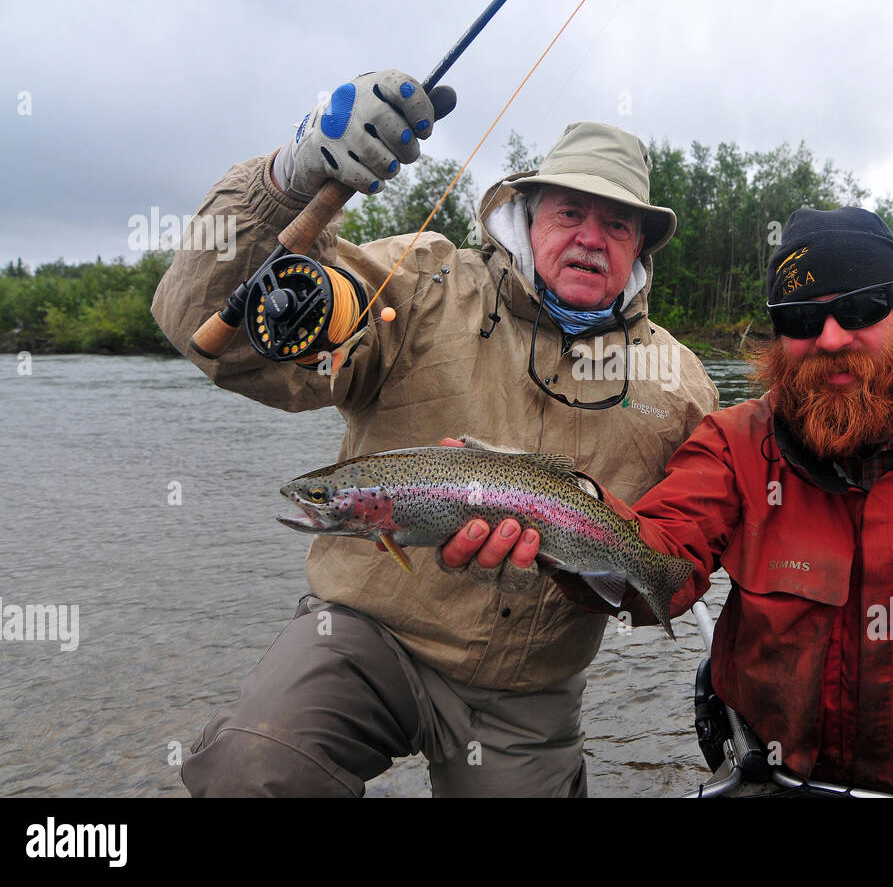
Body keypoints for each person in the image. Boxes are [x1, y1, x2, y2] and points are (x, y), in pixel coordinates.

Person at [454, 206, 893, 797]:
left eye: (860, 308)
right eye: (801, 317)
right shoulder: (734, 446)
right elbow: (658, 559)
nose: (831, 338)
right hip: (776, 781)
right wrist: (548, 511)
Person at [151, 68, 718, 797]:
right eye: (570, 212)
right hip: (365, 634)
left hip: (531, 685)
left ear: (641, 245)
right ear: (527, 211)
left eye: (615, 224)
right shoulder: (421, 286)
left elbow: (700, 531)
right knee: (250, 769)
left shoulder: (681, 380)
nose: (589, 239)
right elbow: (205, 331)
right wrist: (288, 178)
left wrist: (621, 580)